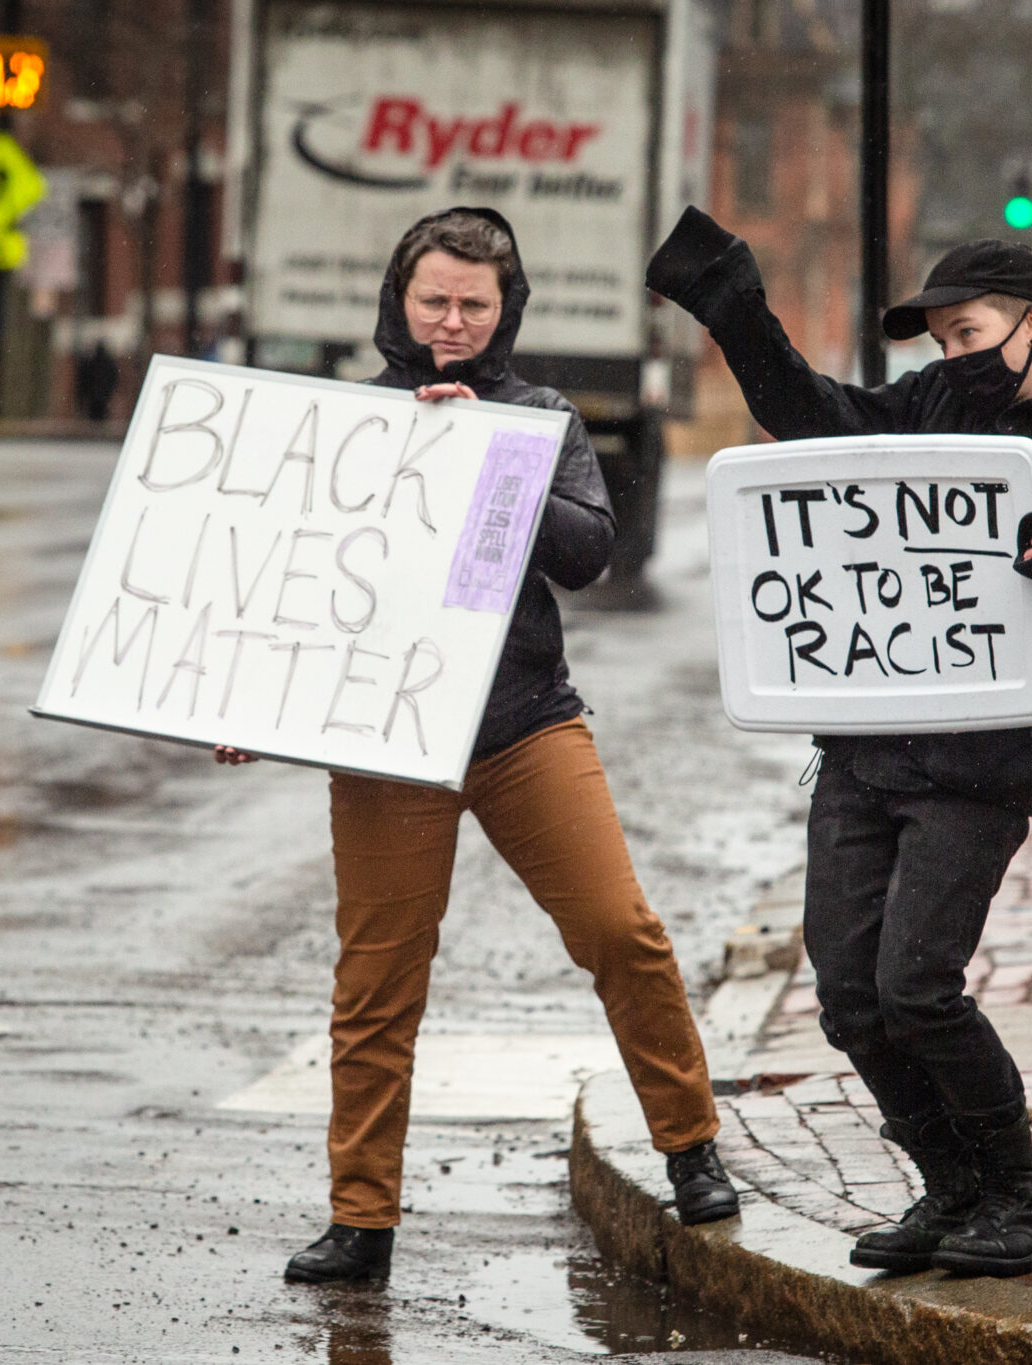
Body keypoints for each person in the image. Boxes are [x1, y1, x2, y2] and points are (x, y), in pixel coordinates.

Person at [217, 207, 738, 1285]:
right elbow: (289, 583)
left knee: (618, 928)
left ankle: (690, 1148)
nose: (450, 321)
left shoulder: (538, 416)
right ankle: (360, 1222)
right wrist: (249, 703)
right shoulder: (344, 421)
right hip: (386, 738)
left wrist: (486, 463)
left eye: (472, 304)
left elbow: (589, 555)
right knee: (376, 984)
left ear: (506, 313)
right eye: (432, 300)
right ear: (397, 304)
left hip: (521, 721)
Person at [644, 211, 1032, 1278]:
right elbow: (815, 422)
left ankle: (1018, 1201)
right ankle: (950, 1187)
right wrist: (735, 305)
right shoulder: (928, 406)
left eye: (968, 334)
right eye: (940, 342)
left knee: (916, 983)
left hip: (979, 770)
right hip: (864, 754)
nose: (951, 359)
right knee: (846, 994)